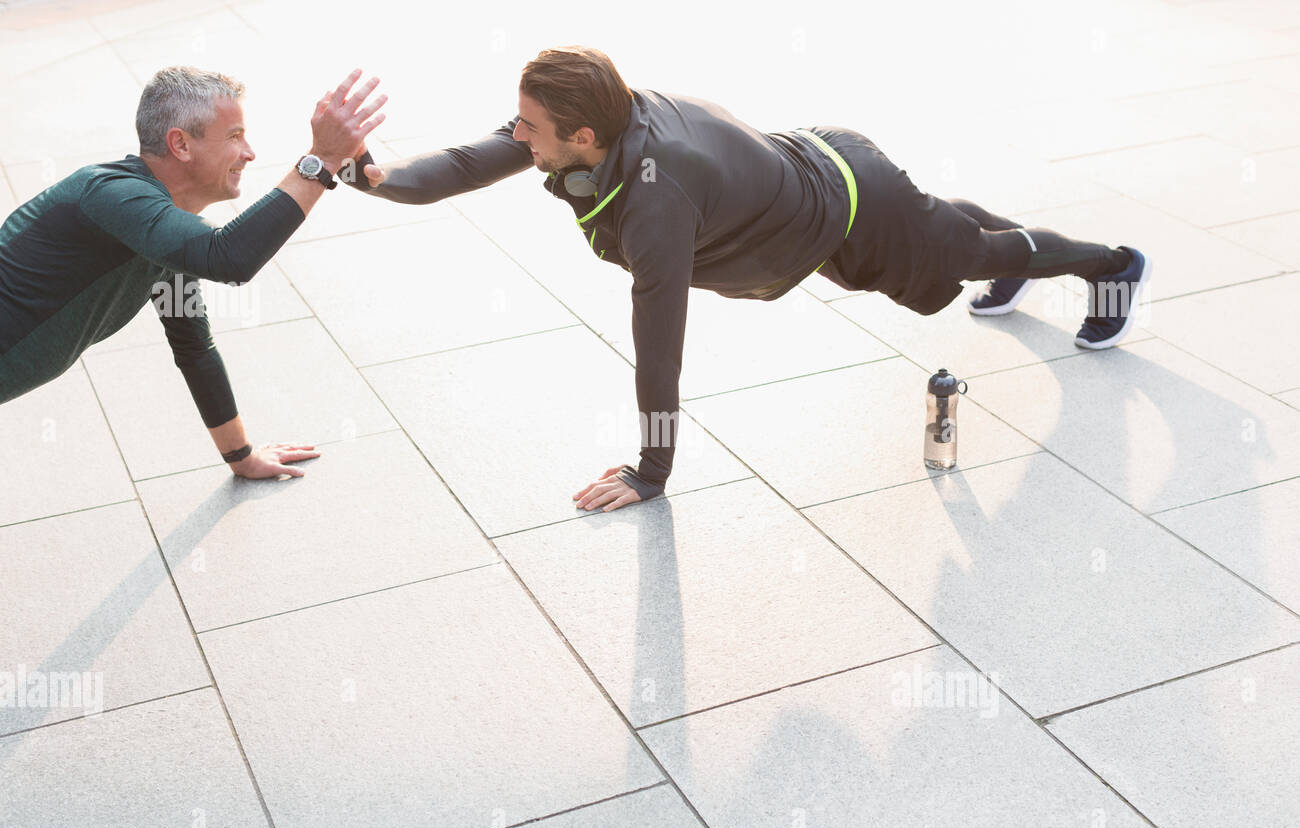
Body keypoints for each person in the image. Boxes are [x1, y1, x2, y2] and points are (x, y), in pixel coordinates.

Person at [343, 46, 1151, 511]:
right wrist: (368, 176)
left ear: (583, 132)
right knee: (950, 230)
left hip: (850, 209)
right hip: (821, 177)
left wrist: (649, 472)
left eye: (529, 127)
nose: (516, 136)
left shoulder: (657, 204)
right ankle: (978, 241)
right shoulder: (598, 118)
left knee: (973, 252)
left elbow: (658, 346)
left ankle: (1113, 265)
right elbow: (461, 164)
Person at [0, 66, 387, 478]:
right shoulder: (111, 195)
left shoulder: (158, 237)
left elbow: (193, 346)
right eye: (234, 136)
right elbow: (230, 258)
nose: (250, 152)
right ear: (181, 144)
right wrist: (321, 161)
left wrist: (242, 457)